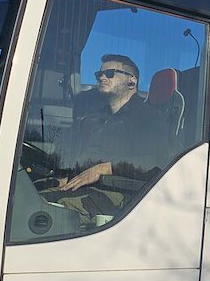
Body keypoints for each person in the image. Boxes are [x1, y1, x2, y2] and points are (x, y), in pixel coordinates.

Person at [58, 53, 163, 193]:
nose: (102, 77)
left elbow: (154, 161)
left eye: (109, 73)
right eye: (99, 74)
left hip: (116, 196)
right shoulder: (93, 118)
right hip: (79, 187)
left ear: (132, 81)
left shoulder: (147, 117)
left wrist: (105, 168)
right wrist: (63, 176)